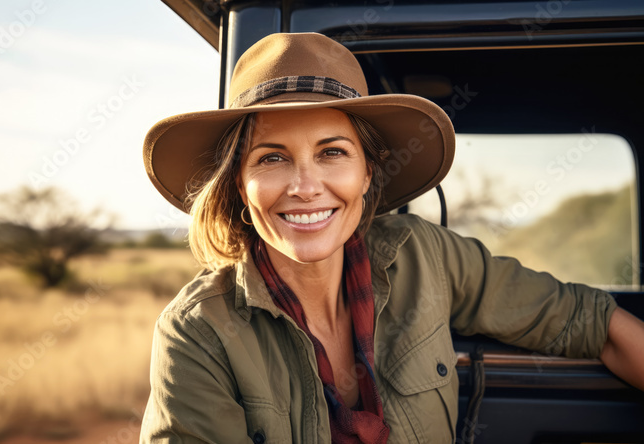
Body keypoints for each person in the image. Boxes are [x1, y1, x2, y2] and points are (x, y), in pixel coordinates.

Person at [138, 32, 644, 444]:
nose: (305, 187)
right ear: (238, 185)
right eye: (271, 157)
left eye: (332, 152)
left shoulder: (426, 256)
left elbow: (591, 322)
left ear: (367, 173)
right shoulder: (199, 333)